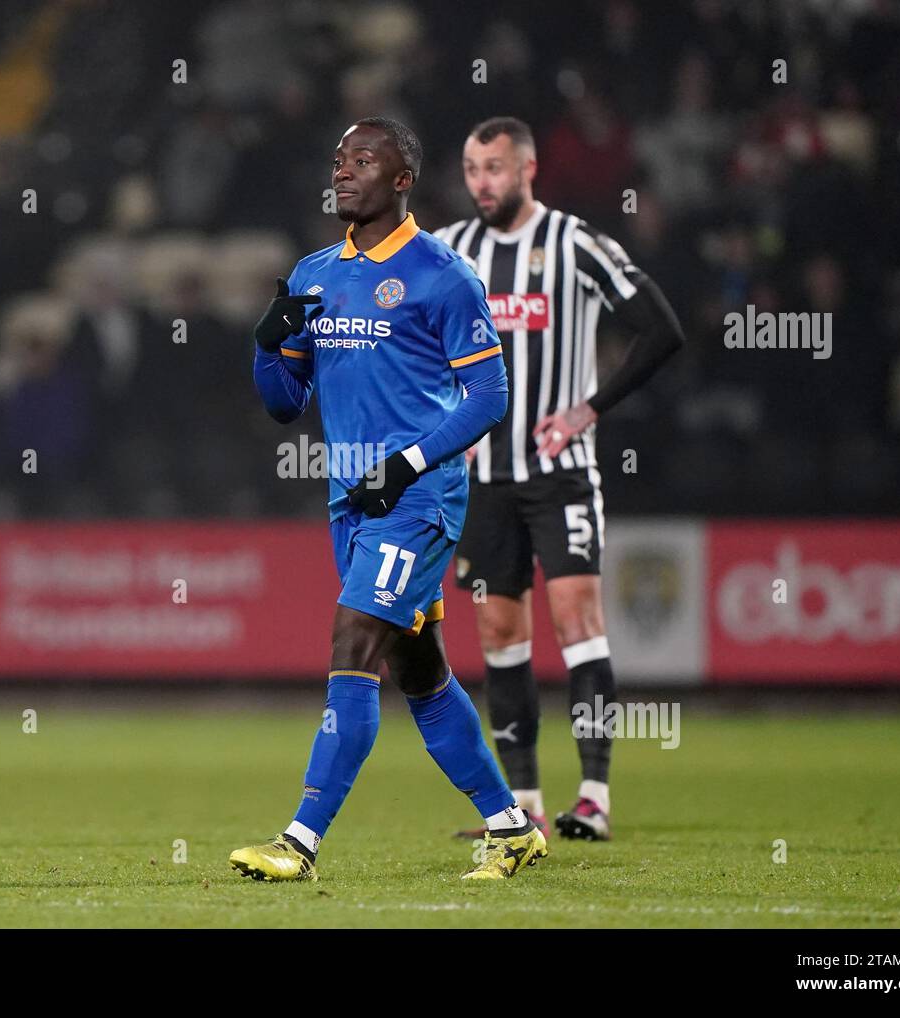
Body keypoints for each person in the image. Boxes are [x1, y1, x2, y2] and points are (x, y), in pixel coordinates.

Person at [229, 117, 546, 881]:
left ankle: (299, 841)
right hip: (350, 501)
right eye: (339, 159)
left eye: (363, 160)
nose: (344, 172)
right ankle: (511, 826)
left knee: (353, 642)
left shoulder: (442, 274)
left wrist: (406, 463)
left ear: (402, 179)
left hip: (419, 497)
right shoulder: (313, 273)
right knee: (423, 675)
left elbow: (488, 397)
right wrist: (266, 346)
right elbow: (282, 403)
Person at [434, 117, 685, 842]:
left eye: (494, 169)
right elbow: (417, 348)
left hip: (560, 475)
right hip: (484, 480)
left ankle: (595, 799)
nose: (482, 183)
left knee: (577, 620)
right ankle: (523, 808)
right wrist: (452, 424)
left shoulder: (576, 243)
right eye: (472, 169)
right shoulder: (454, 252)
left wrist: (590, 408)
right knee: (500, 632)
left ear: (528, 169)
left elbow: (661, 327)